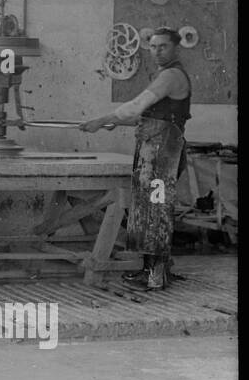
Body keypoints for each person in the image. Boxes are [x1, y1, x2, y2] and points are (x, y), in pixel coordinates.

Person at [80, 27, 190, 291]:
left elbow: (136, 106)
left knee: (155, 213)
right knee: (150, 212)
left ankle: (155, 276)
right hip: (154, 151)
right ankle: (154, 272)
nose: (156, 52)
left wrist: (103, 120)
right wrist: (119, 124)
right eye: (152, 47)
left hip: (164, 154)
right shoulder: (165, 75)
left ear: (176, 48)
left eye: (162, 46)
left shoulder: (172, 76)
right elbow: (151, 118)